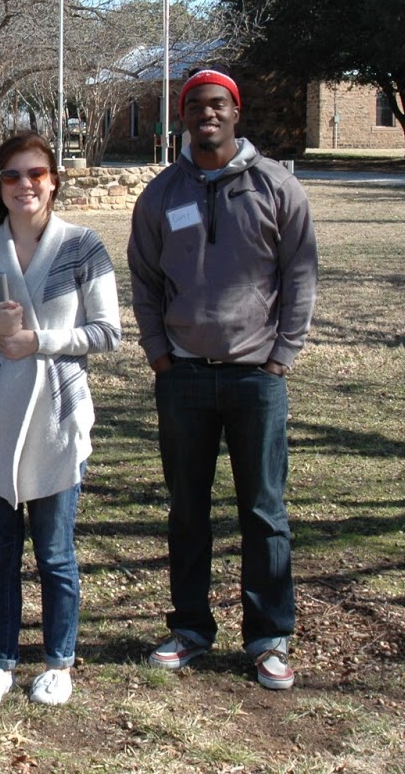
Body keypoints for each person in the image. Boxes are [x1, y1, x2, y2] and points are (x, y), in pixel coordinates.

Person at [126, 69, 318, 691]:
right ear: (182, 118)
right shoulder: (160, 195)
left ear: (235, 113)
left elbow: (300, 276)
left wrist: (282, 355)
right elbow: (145, 282)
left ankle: (268, 637)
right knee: (187, 510)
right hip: (181, 376)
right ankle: (189, 628)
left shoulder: (277, 187)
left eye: (218, 106)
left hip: (256, 379)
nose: (206, 115)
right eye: (194, 107)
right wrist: (159, 353)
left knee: (264, 511)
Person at [0, 132, 121, 708]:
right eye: (11, 176)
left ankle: (58, 662)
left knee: (54, 552)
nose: (25, 185)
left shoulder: (83, 245)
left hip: (56, 415)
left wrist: (39, 340)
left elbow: (108, 332)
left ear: (53, 179)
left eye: (36, 174)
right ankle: (0, 661)